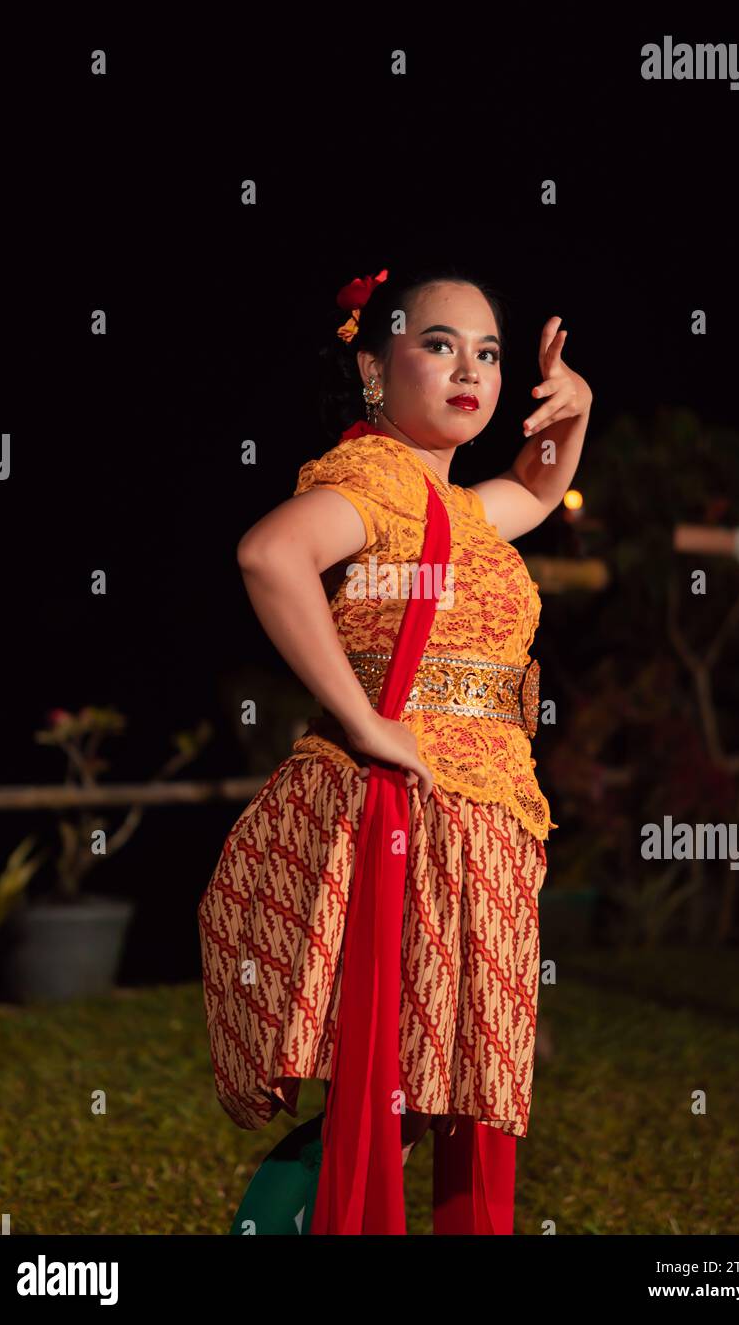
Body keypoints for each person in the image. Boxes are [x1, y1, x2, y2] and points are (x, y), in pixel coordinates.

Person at [198, 263, 593, 1234]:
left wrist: (574, 412)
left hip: (484, 816)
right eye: (440, 344)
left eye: (489, 353)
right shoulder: (373, 482)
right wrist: (366, 720)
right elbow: (268, 554)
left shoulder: (460, 509)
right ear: (373, 369)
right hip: (406, 814)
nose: (471, 368)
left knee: (455, 1085)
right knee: (395, 1091)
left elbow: (535, 495)